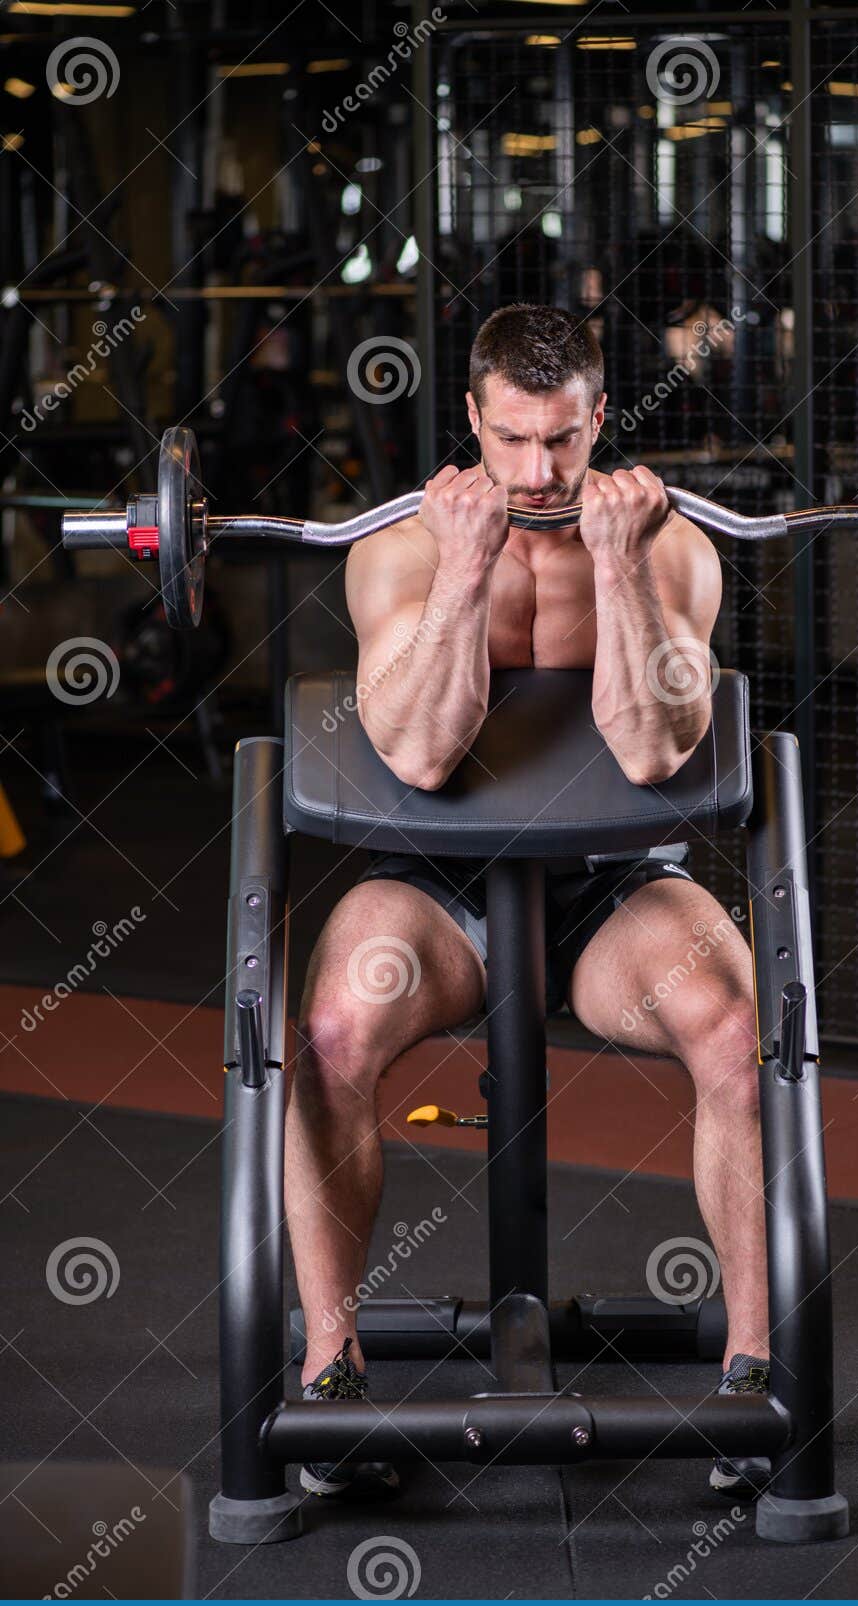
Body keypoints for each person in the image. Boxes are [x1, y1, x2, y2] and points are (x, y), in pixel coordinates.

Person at [285, 302, 769, 1502]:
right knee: (334, 1029)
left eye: (561, 441)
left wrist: (616, 567)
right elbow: (415, 751)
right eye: (511, 441)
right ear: (471, 422)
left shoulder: (674, 551)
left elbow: (654, 752)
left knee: (733, 1024)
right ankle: (332, 1361)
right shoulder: (397, 551)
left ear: (601, 420)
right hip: (436, 895)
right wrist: (464, 566)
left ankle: (756, 1366)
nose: (539, 472)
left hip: (613, 896)